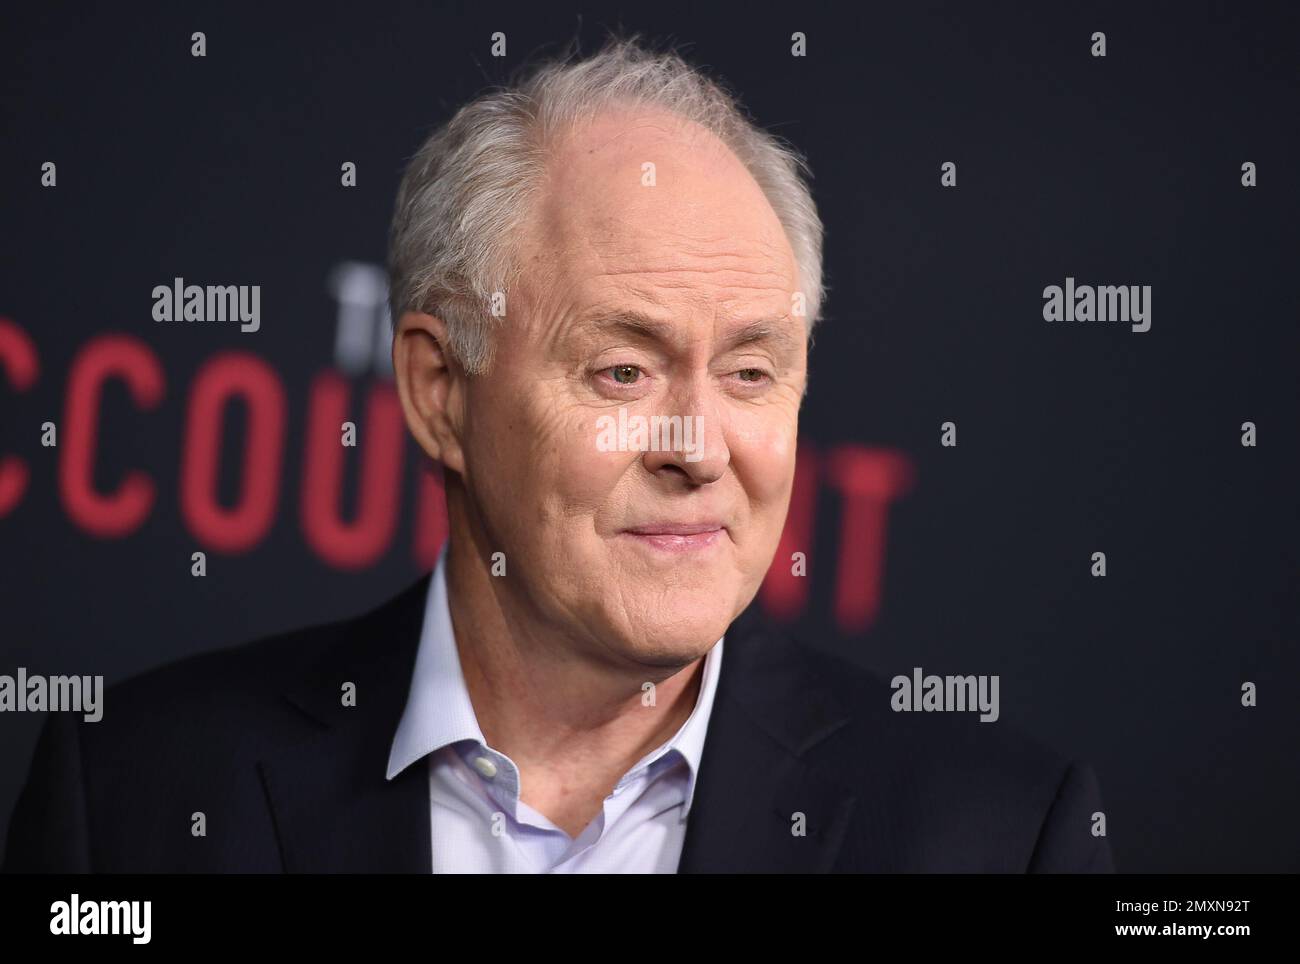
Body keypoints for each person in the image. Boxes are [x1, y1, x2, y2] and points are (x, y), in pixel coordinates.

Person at [3, 36, 1114, 874]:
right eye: (623, 371)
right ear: (440, 391)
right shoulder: (134, 798)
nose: (698, 448)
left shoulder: (999, 836)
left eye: (749, 371)